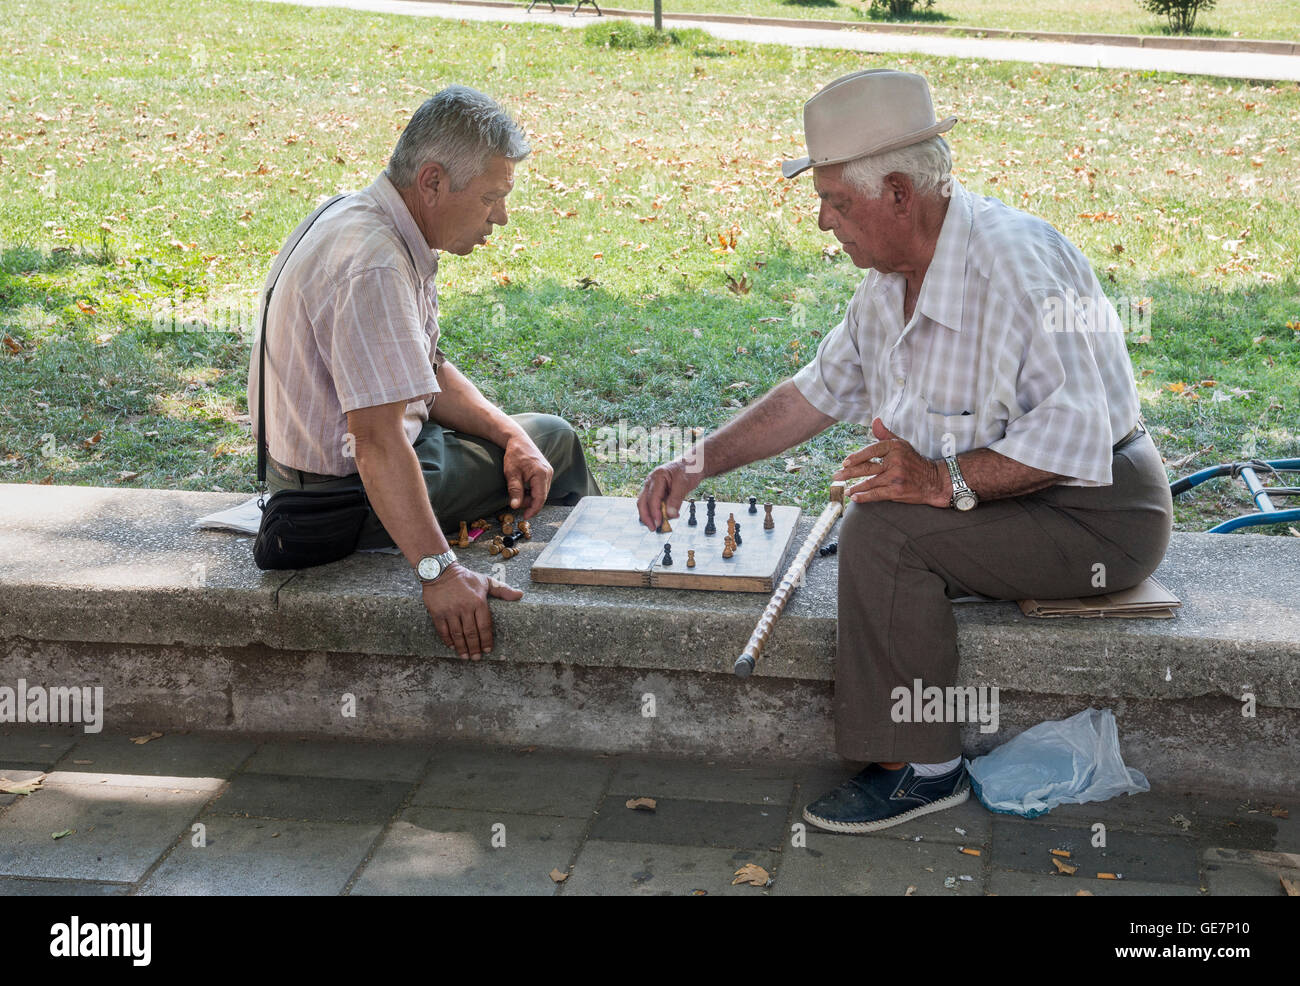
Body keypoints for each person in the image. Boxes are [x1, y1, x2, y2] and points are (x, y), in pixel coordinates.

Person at [636, 69, 1172, 833]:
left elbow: (1075, 436)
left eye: (836, 201)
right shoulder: (889, 280)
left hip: (1100, 513)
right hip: (1015, 499)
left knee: (886, 530)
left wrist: (940, 478)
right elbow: (814, 393)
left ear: (898, 193)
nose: (823, 221)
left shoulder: (1016, 262)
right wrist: (698, 461)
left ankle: (923, 769)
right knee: (889, 508)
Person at [249, 85, 601, 663]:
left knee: (530, 438)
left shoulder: (362, 217)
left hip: (336, 472)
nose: (502, 218)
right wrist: (440, 573)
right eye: (491, 197)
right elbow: (379, 443)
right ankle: (589, 607)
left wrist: (508, 434)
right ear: (433, 182)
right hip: (339, 502)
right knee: (556, 442)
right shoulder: (376, 265)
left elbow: (426, 369)